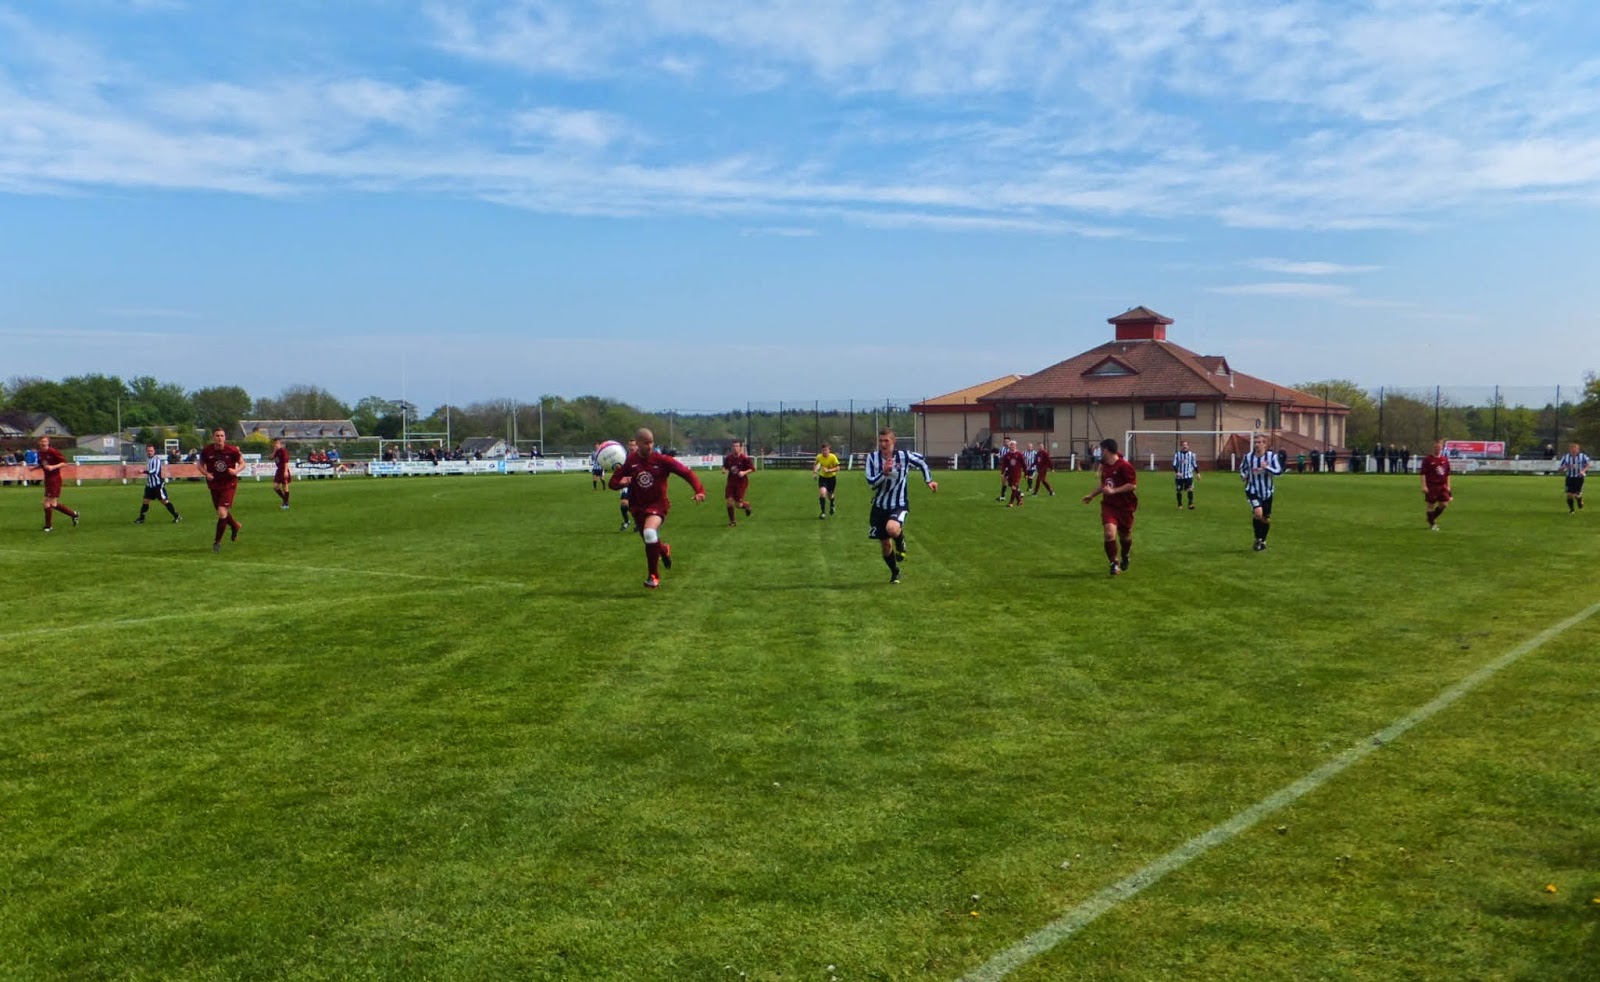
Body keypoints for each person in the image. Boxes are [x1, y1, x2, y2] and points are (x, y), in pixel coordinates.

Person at [609, 427, 705, 589]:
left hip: (658, 505)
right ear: (638, 443)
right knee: (649, 539)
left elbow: (686, 473)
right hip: (638, 507)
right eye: (646, 443)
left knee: (649, 532)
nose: (649, 446)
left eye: (651, 442)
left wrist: (699, 490)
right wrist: (621, 483)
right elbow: (612, 483)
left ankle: (653, 576)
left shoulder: (662, 460)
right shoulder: (631, 461)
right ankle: (663, 549)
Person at [864, 428, 937, 584]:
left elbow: (922, 462)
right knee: (884, 544)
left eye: (886, 441)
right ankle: (895, 572)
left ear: (893, 441)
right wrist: (884, 473)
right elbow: (871, 484)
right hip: (879, 506)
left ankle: (900, 541)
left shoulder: (903, 456)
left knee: (892, 528)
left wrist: (929, 480)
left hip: (899, 503)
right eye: (881, 441)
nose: (883, 444)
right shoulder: (872, 458)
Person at [1082, 437, 1138, 576]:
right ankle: (1114, 563)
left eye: (1101, 449)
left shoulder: (1125, 466)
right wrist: (1091, 495)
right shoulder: (1106, 466)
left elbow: (1132, 485)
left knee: (1125, 537)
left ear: (1106, 450)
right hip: (1109, 505)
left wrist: (1114, 490)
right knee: (1109, 533)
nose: (1100, 452)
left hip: (1125, 506)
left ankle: (1125, 555)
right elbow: (1104, 485)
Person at [198, 427, 245, 552]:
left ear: (225, 437)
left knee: (221, 512)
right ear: (213, 437)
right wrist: (206, 473)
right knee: (221, 512)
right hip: (214, 485)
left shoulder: (232, 450)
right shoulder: (207, 450)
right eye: (217, 435)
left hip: (229, 484)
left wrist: (235, 471)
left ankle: (217, 542)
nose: (220, 438)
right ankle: (235, 526)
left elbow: (242, 463)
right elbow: (200, 465)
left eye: (222, 436)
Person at [1240, 434, 1283, 551]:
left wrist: (1267, 468)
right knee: (1258, 513)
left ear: (1265, 444)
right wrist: (1243, 476)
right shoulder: (1248, 457)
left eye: (1259, 442)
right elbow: (1242, 469)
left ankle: (1262, 540)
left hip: (1267, 492)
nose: (1257, 444)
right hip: (1252, 490)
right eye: (1255, 442)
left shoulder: (1271, 457)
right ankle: (1257, 538)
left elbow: (1279, 471)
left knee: (1265, 519)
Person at [32, 436, 80, 532]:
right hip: (48, 479)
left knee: (46, 503)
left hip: (55, 480)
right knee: (53, 504)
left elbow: (64, 462)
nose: (43, 443)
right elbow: (42, 464)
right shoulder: (40, 453)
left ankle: (48, 526)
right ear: (39, 443)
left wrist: (53, 467)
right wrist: (35, 468)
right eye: (42, 441)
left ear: (48, 442)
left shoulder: (53, 451)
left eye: (45, 441)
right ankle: (74, 514)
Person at [134, 444, 181, 525]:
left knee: (164, 501)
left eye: (151, 451)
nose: (149, 452)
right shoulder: (148, 460)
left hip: (157, 485)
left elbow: (154, 471)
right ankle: (141, 518)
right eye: (148, 451)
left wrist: (144, 471)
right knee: (145, 501)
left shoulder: (156, 460)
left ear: (154, 451)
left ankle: (176, 515)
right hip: (150, 485)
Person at [1420, 439, 1452, 530]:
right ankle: (1432, 524)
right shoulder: (1428, 459)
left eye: (1439, 447)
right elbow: (1423, 473)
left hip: (1442, 486)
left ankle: (1431, 518)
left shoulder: (1445, 460)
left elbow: (1448, 474)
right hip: (1432, 485)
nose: (1437, 449)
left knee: (1444, 504)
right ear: (1433, 448)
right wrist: (1424, 486)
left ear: (1441, 448)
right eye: (1435, 447)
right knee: (1431, 505)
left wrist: (1448, 486)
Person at [722, 440, 755, 527]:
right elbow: (725, 466)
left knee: (738, 505)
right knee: (729, 502)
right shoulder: (728, 458)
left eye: (737, 446)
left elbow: (752, 469)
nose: (735, 448)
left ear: (740, 448)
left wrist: (744, 472)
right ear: (731, 448)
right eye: (734, 446)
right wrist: (724, 470)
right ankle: (732, 521)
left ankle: (747, 506)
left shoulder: (744, 458)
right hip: (730, 483)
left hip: (741, 484)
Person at [1557, 442, 1590, 512]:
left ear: (1578, 449)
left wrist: (1583, 471)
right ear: (1570, 449)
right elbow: (1560, 468)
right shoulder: (1565, 457)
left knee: (1576, 495)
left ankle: (1579, 499)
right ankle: (1572, 510)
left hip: (1579, 477)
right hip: (1569, 477)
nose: (1574, 451)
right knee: (1569, 494)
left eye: (1575, 449)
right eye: (1572, 449)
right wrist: (1567, 466)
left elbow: (1588, 465)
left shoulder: (1583, 456)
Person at [813, 442, 840, 518]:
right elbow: (816, 464)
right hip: (823, 478)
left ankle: (832, 504)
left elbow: (838, 468)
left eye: (826, 450)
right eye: (823, 450)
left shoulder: (833, 457)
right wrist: (814, 473)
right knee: (822, 493)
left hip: (831, 478)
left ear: (829, 450)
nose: (824, 452)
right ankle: (823, 512)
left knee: (830, 495)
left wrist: (829, 470)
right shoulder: (819, 457)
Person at [617, 439, 637, 531]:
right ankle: (626, 521)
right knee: (624, 504)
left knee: (636, 505)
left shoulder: (641, 457)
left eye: (634, 445)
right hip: (627, 483)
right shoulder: (624, 457)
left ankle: (638, 523)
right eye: (630, 445)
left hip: (638, 484)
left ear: (637, 446)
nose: (632, 447)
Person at [1173, 439, 1199, 509]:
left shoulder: (1191, 455)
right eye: (1183, 445)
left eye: (1186, 445)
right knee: (1179, 491)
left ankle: (1190, 504)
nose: (1185, 446)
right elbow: (1174, 465)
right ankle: (1179, 504)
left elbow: (1194, 465)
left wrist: (1198, 473)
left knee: (1190, 489)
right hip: (1179, 477)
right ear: (1181, 446)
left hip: (1189, 476)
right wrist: (1177, 472)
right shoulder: (1177, 454)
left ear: (1188, 446)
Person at [1001, 439, 1026, 507]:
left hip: (1017, 474)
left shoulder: (1019, 454)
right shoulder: (1007, 455)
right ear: (1010, 446)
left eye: (1013, 445)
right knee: (1013, 487)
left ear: (1015, 446)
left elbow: (1024, 464)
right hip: (1009, 473)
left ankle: (1011, 503)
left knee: (1014, 487)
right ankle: (1019, 500)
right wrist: (1002, 473)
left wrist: (1026, 473)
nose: (1012, 446)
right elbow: (1004, 464)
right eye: (1011, 445)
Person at [271, 438, 293, 509]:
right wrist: (274, 451)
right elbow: (270, 457)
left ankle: (286, 504)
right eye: (274, 443)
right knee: (275, 486)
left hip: (283, 469)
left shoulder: (283, 450)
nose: (276, 445)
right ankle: (285, 500)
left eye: (277, 443)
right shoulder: (276, 451)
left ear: (280, 444)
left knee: (285, 486)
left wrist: (286, 471)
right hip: (279, 470)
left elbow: (286, 461)